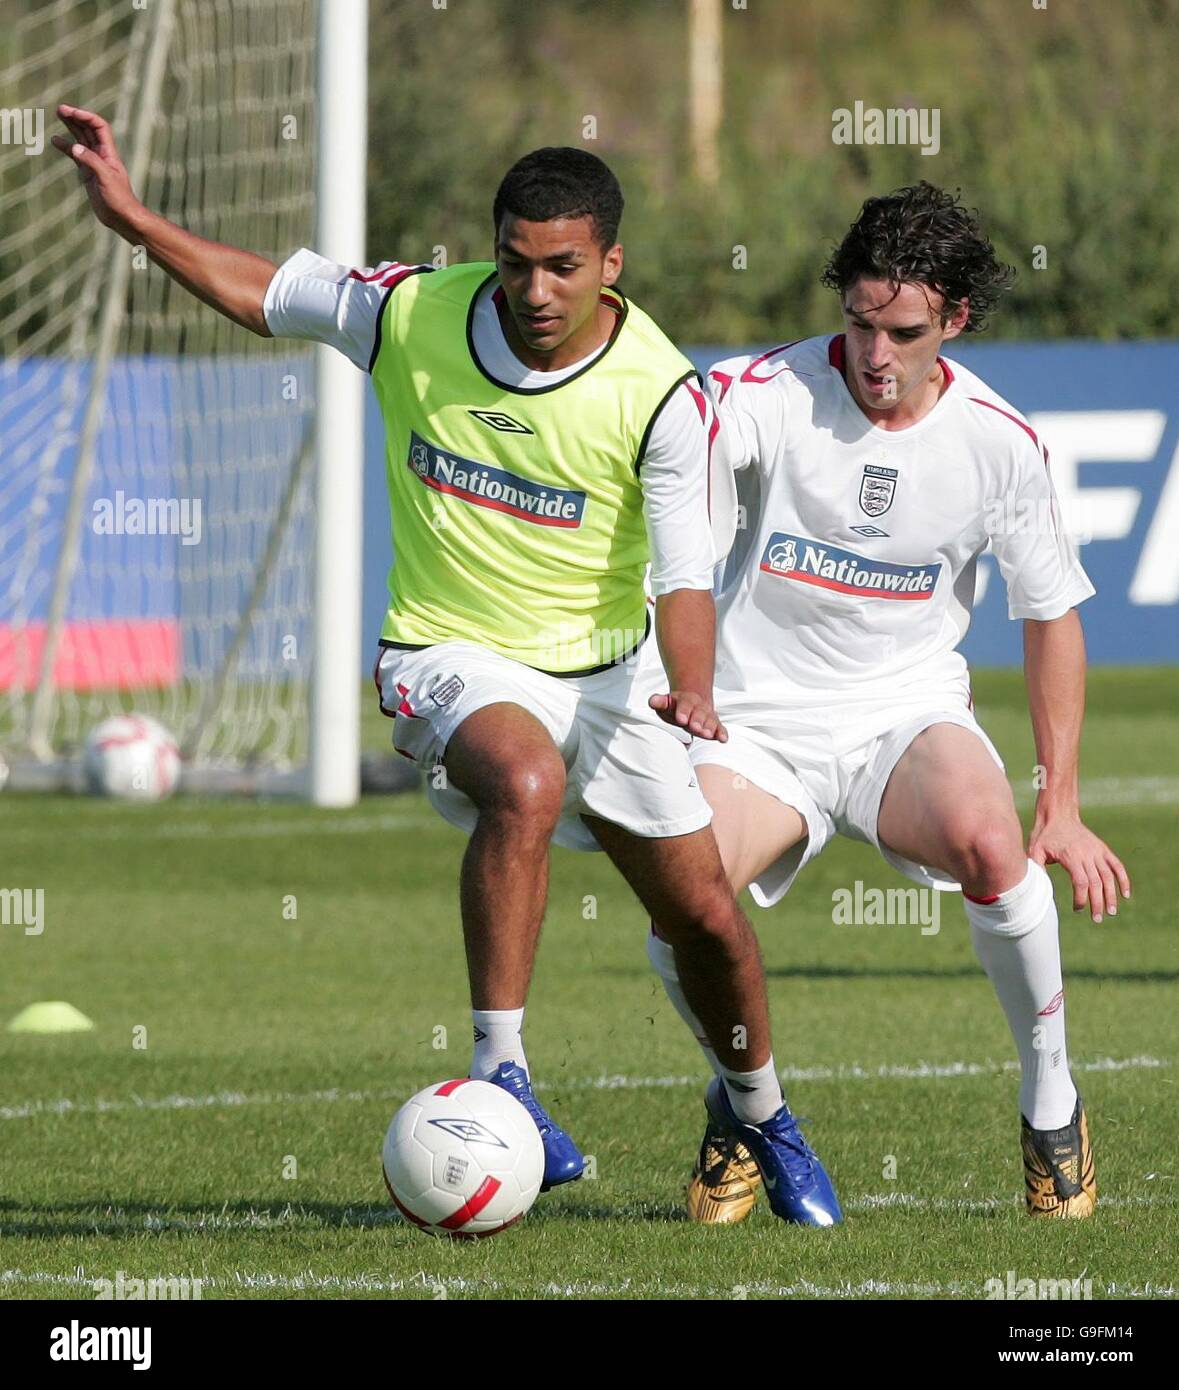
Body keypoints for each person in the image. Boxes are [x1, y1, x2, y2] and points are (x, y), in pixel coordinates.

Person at [52, 105, 835, 1218]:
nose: (535, 289)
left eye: (563, 266)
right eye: (516, 262)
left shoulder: (662, 391)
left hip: (608, 676)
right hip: (446, 652)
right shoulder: (410, 308)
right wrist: (131, 218)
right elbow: (261, 290)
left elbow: (684, 573)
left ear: (612, 263)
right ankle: (501, 1069)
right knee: (521, 781)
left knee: (705, 916)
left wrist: (692, 687)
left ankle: (763, 1116)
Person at [653, 182, 1129, 1223]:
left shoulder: (998, 441)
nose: (875, 354)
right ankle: (745, 1104)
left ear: (952, 320)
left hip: (900, 715)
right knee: (679, 897)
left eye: (903, 332)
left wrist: (1062, 801)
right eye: (859, 324)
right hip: (754, 724)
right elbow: (668, 484)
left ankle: (1051, 1103)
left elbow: (1050, 614)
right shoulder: (761, 396)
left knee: (992, 843)